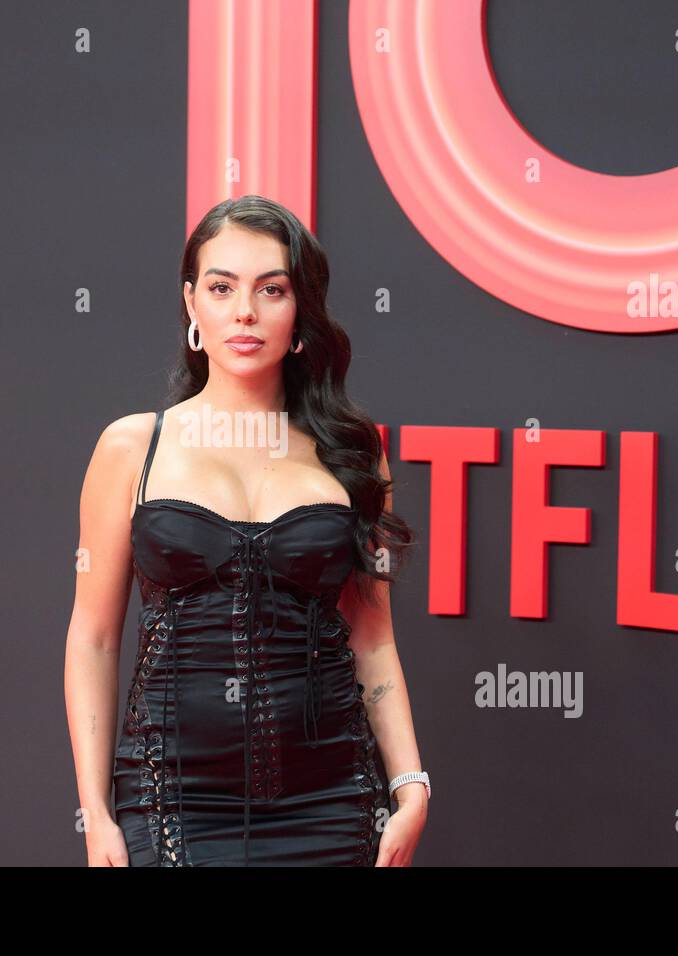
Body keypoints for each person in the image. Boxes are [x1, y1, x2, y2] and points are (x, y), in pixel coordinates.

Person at [64, 194, 426, 866]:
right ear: (192, 305)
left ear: (301, 313)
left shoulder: (351, 450)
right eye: (221, 287)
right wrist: (95, 812)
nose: (245, 312)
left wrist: (411, 785)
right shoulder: (132, 448)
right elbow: (93, 637)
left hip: (331, 799)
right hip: (172, 798)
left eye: (272, 288)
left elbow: (373, 638)